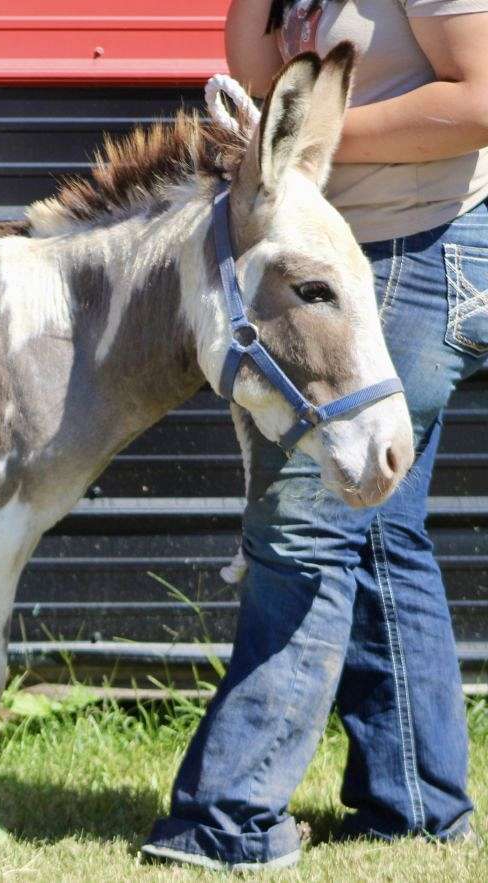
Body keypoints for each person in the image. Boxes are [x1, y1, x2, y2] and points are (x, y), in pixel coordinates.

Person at [141, 0, 488, 871]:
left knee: (304, 524)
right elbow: (260, 79)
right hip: (338, 254)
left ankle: (232, 818)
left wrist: (297, 146)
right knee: (379, 524)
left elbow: (482, 98)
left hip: (424, 246)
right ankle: (417, 804)